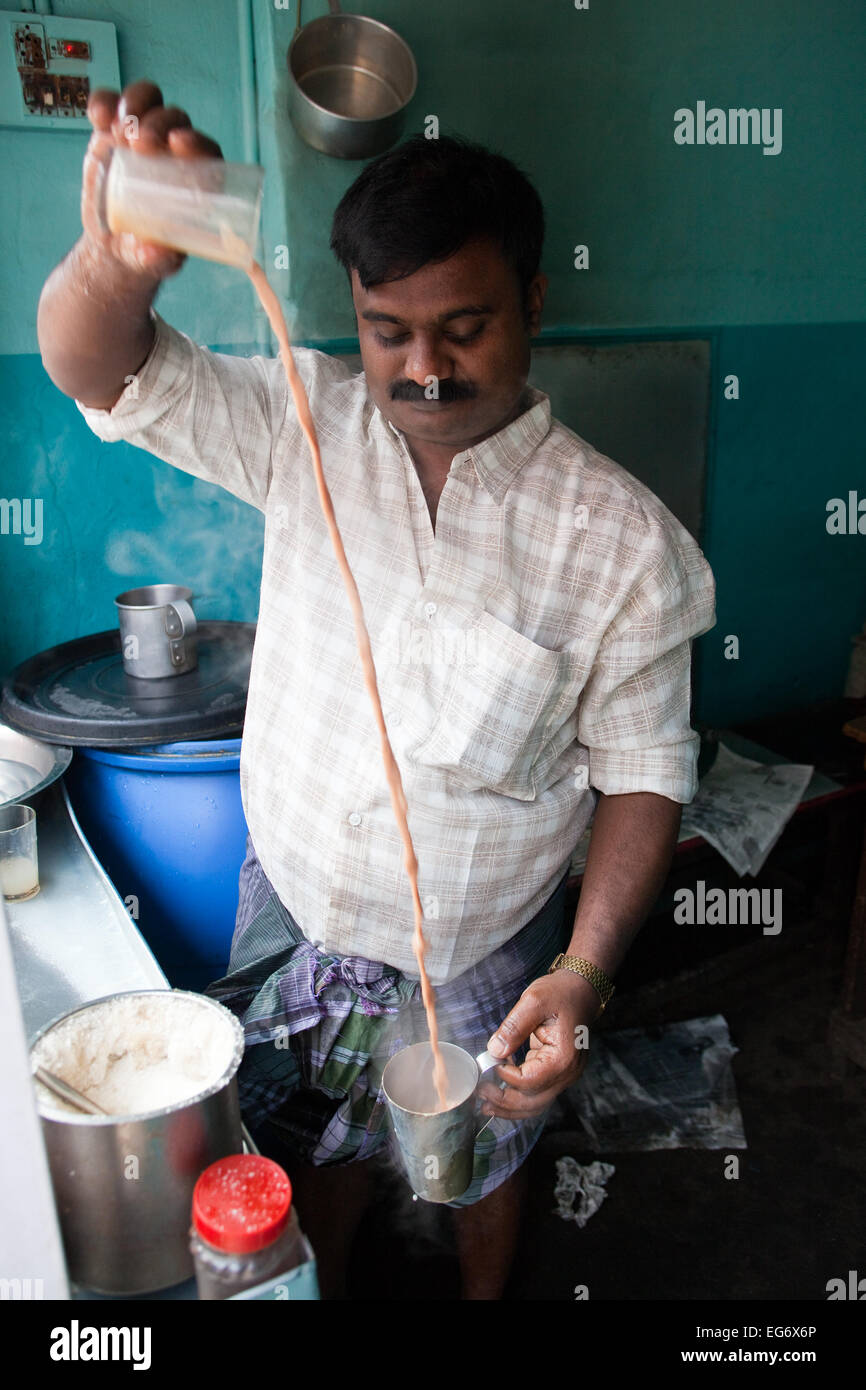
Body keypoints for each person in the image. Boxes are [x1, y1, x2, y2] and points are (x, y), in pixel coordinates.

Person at [38, 81, 716, 1300]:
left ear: (534, 301)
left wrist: (583, 971)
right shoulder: (307, 425)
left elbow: (644, 771)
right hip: (293, 904)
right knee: (304, 1146)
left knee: (482, 1154)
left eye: (464, 326)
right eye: (387, 329)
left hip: (484, 941)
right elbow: (97, 366)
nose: (423, 369)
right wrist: (115, 262)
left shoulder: (619, 540)